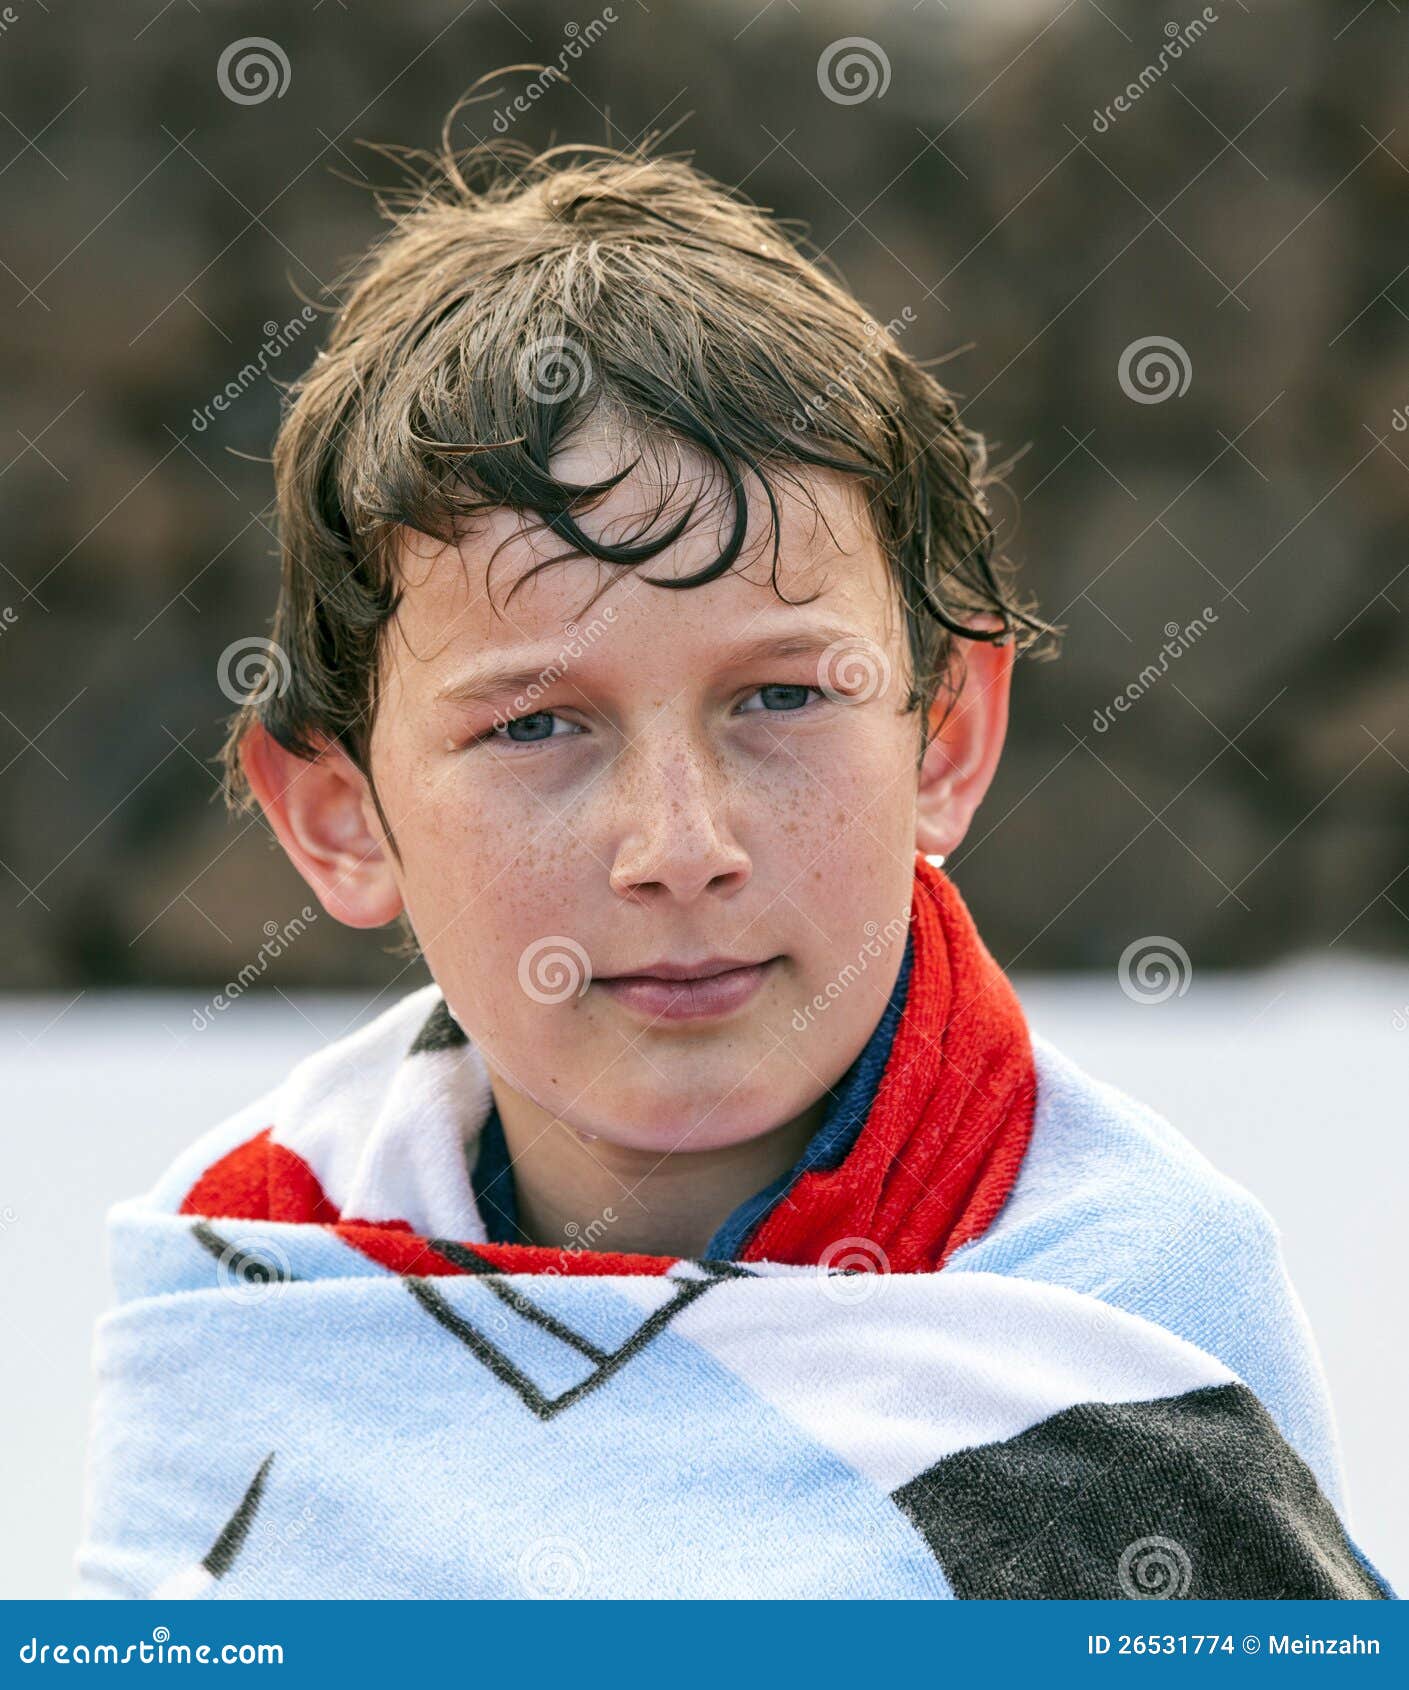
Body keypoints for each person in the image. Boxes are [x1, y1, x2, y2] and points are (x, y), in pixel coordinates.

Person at [72, 97, 1393, 1601]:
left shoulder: (1128, 1323)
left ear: (941, 738)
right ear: (340, 817)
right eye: (534, 726)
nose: (677, 845)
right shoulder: (259, 1285)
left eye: (776, 696)